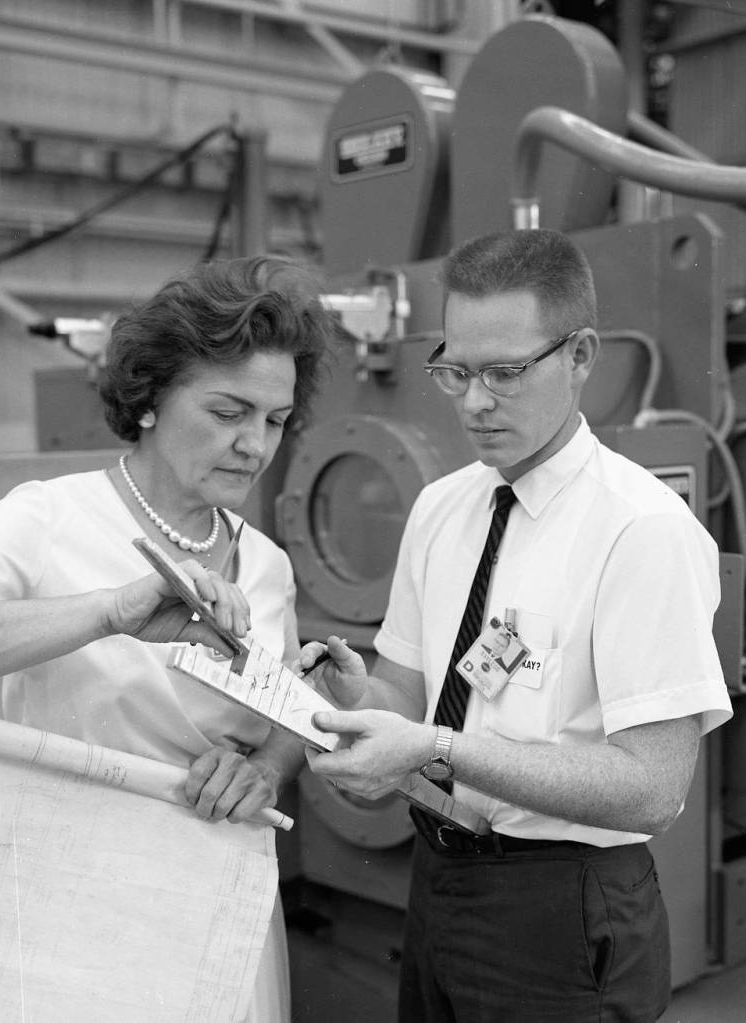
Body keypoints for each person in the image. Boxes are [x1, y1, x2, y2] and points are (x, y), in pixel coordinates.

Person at [301, 229, 733, 1022]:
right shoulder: (441, 507)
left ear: (579, 355)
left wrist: (435, 746)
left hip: (563, 906)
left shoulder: (639, 529)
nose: (473, 401)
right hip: (439, 879)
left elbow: (651, 787)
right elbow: (407, 684)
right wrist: (364, 699)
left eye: (503, 373)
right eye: (456, 371)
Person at [0, 254, 336, 1023]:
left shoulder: (268, 566)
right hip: (70, 908)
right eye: (228, 413)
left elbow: (285, 717)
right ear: (149, 399)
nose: (255, 444)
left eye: (275, 421)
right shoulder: (49, 517)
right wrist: (111, 610)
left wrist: (264, 769)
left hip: (220, 900)